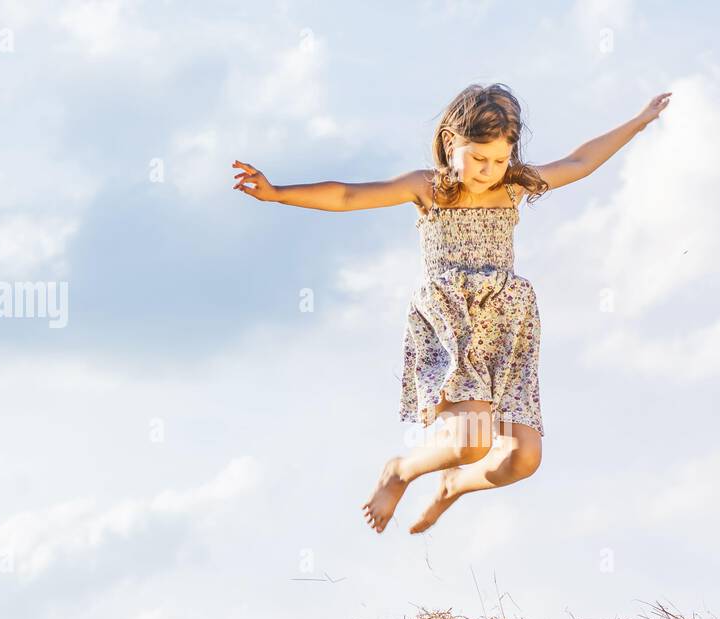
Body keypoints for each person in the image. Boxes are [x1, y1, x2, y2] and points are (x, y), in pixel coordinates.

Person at [233, 83, 671, 534]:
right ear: (450, 143)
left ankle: (452, 488)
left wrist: (639, 121)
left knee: (525, 460)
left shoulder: (514, 187)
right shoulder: (428, 189)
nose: (489, 171)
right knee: (472, 442)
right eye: (479, 158)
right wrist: (277, 192)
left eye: (500, 160)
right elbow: (348, 195)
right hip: (451, 323)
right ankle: (400, 470)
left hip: (505, 325)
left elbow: (580, 162)